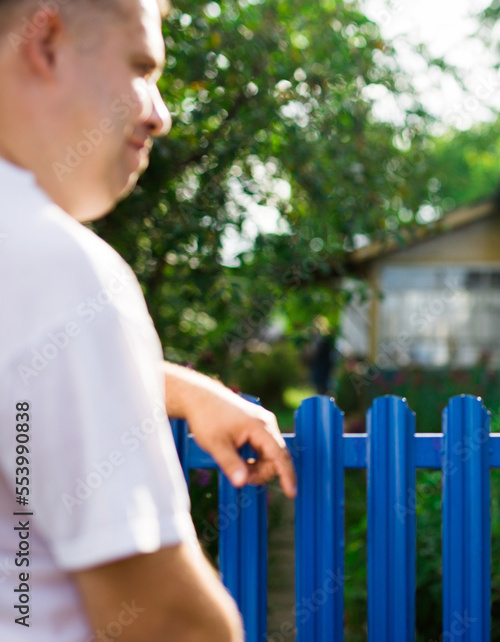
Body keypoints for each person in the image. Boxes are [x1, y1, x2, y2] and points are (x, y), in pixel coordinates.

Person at [0, 0, 296, 639]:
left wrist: (180, 389)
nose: (160, 116)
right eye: (142, 68)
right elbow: (167, 625)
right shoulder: (57, 269)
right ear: (46, 41)